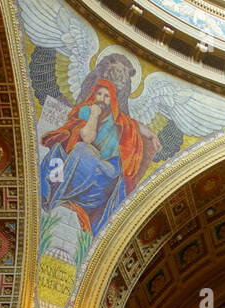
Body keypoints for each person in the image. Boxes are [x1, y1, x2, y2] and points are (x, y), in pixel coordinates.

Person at [39, 78, 160, 235]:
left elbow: (137, 126)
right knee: (78, 150)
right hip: (82, 161)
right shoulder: (87, 111)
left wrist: (152, 135)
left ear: (112, 100)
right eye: (99, 94)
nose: (102, 99)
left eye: (106, 96)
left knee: (84, 152)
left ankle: (63, 198)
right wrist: (94, 115)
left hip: (106, 172)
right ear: (94, 95)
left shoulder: (120, 120)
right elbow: (87, 138)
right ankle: (56, 198)